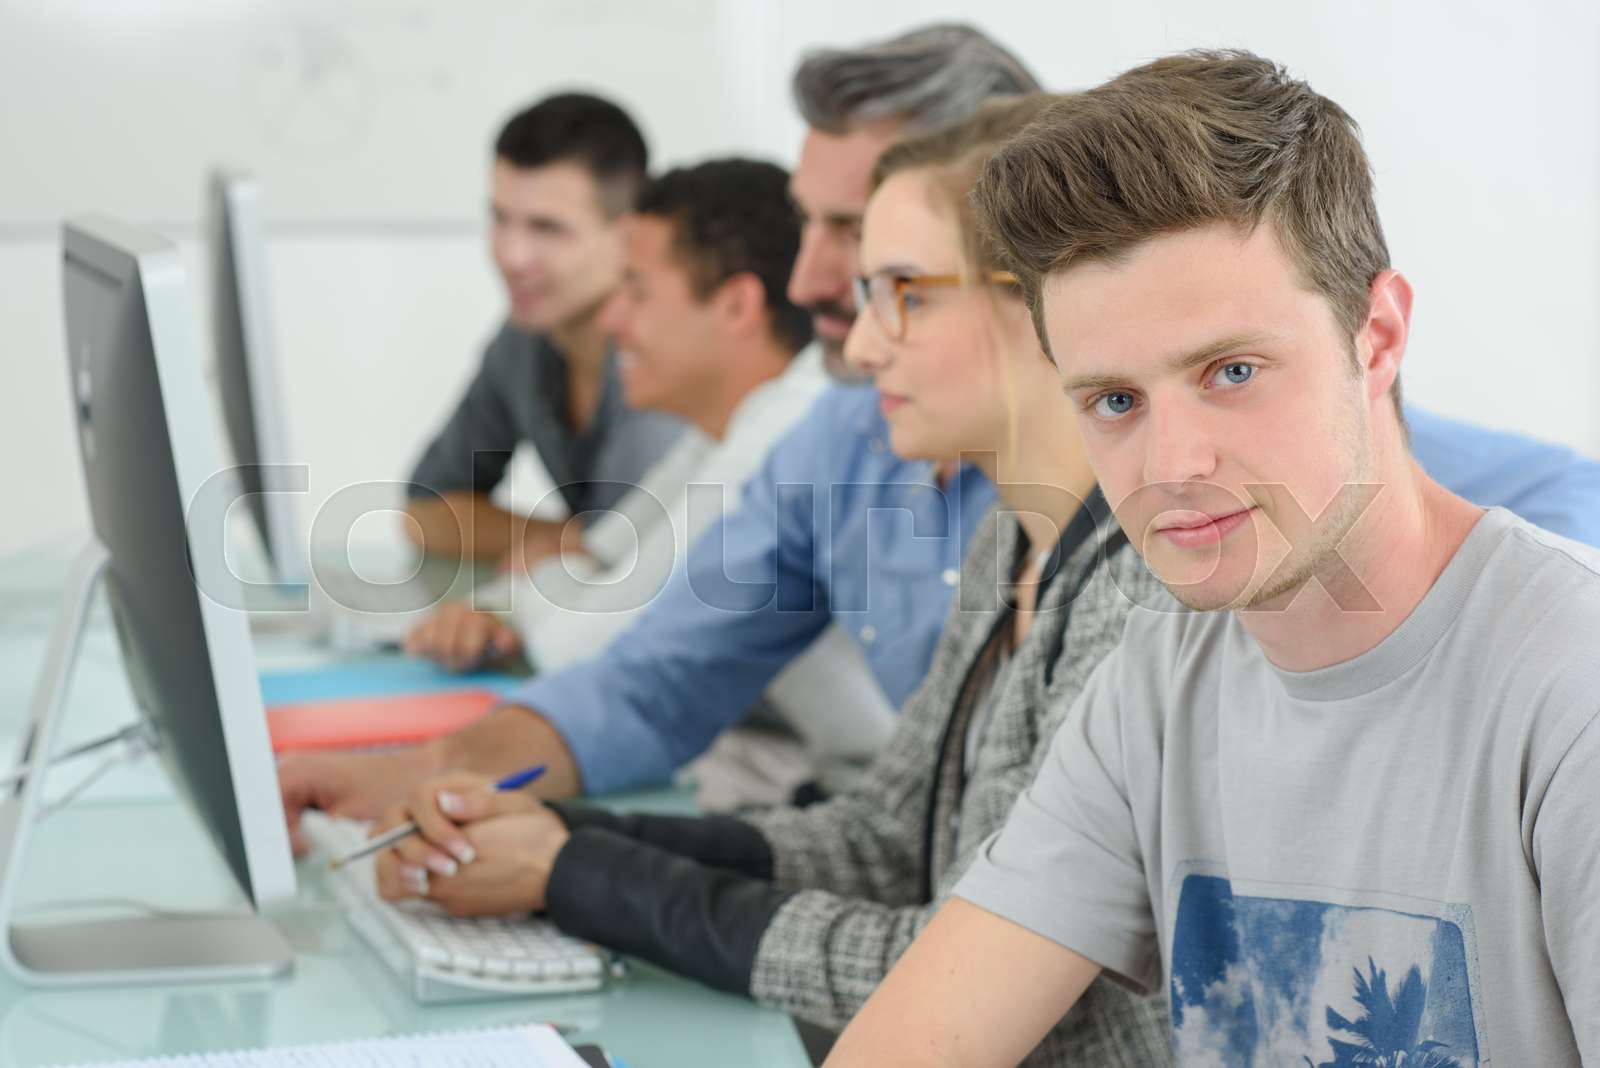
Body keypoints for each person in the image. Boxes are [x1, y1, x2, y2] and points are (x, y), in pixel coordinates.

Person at [278, 26, 1600, 840]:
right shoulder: (847, 447)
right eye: (818, 234)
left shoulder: (1204, 498)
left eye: (866, 249)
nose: (811, 287)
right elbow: (651, 686)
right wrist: (430, 780)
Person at [368, 94, 1177, 1066]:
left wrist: (579, 873)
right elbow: (888, 840)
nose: (863, 340)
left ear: (1037, 298)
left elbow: (954, 973)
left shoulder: (1136, 596)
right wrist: (564, 838)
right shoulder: (1013, 537)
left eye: (903, 294)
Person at [826, 51, 1600, 1068]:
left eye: (1231, 371)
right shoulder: (1156, 683)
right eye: (1115, 401)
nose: (1170, 464)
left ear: (1376, 335)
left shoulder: (1567, 690)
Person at [403, 158, 825, 676]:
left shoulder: (785, 436)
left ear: (737, 306)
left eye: (637, 291)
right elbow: (604, 555)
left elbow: (586, 643)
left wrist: (546, 588)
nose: (611, 319)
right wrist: (505, 606)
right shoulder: (711, 436)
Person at [404, 93, 683, 569]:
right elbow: (425, 512)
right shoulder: (527, 337)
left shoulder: (671, 357)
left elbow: (640, 561)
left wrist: (590, 548)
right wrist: (569, 542)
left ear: (629, 232)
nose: (511, 256)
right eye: (500, 218)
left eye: (547, 228)